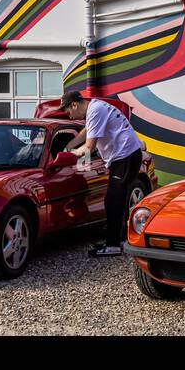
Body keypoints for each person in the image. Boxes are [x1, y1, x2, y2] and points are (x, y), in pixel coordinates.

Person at [62, 90, 143, 258]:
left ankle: (113, 245)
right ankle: (119, 241)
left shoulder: (95, 110)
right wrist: (70, 143)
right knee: (117, 200)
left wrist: (70, 153)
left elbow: (89, 147)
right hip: (126, 156)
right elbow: (87, 130)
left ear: (74, 105)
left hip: (124, 156)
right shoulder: (95, 107)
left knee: (113, 201)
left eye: (68, 111)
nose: (69, 116)